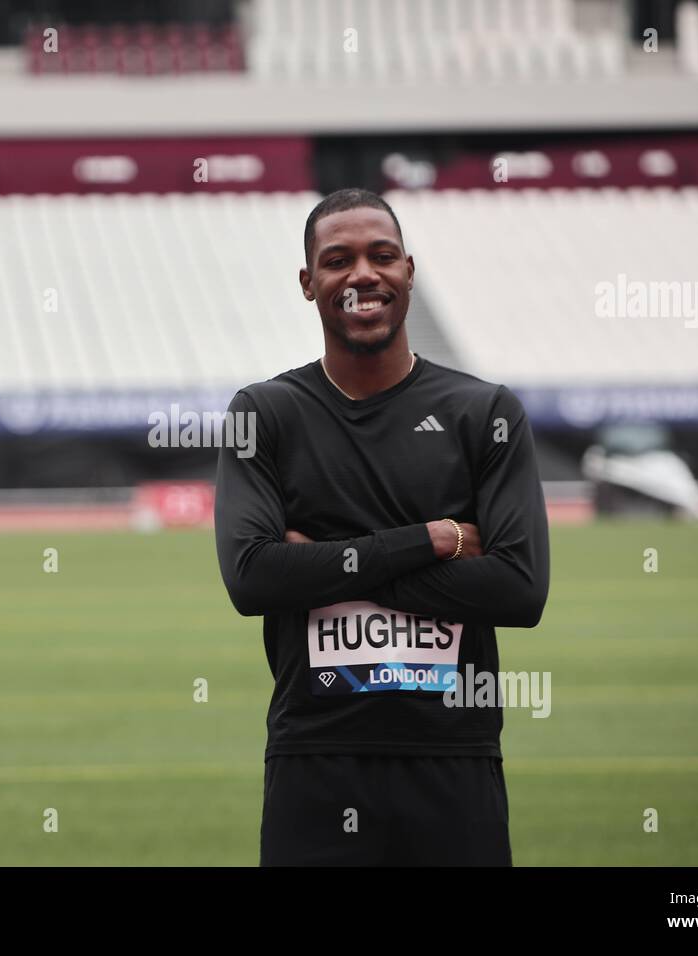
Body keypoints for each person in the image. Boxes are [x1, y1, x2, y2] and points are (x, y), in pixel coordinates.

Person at [213, 188, 550, 866]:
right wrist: (436, 540)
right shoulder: (266, 414)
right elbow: (252, 577)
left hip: (455, 761)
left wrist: (325, 568)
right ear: (309, 283)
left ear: (409, 271)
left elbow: (519, 590)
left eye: (382, 256)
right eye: (337, 260)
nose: (362, 275)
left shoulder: (484, 412)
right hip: (314, 759)